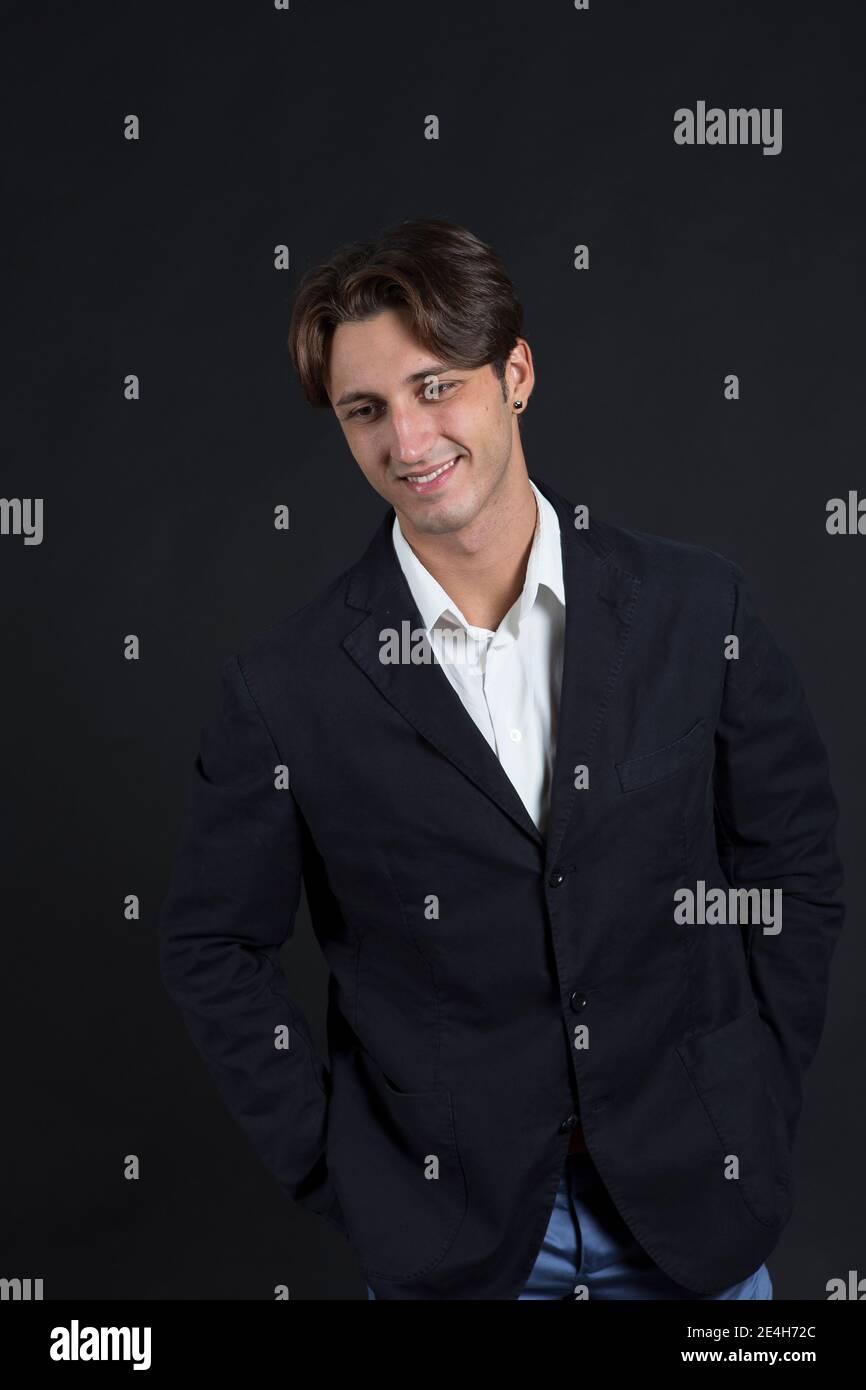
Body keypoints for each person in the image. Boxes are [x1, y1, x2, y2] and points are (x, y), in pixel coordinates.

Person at [158, 218, 844, 1300]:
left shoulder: (692, 607)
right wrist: (334, 1160)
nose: (408, 439)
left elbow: (791, 862)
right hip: (454, 1243)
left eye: (436, 387)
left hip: (691, 1208)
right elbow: (209, 942)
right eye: (365, 410)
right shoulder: (285, 689)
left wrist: (751, 1082)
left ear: (513, 373)